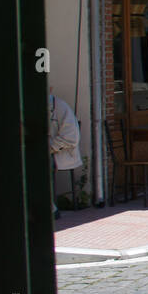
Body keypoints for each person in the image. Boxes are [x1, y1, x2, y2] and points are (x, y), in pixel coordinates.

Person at [49, 90, 82, 218]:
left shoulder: (60, 108)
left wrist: (49, 147)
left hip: (59, 153)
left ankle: (51, 208)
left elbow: (71, 138)